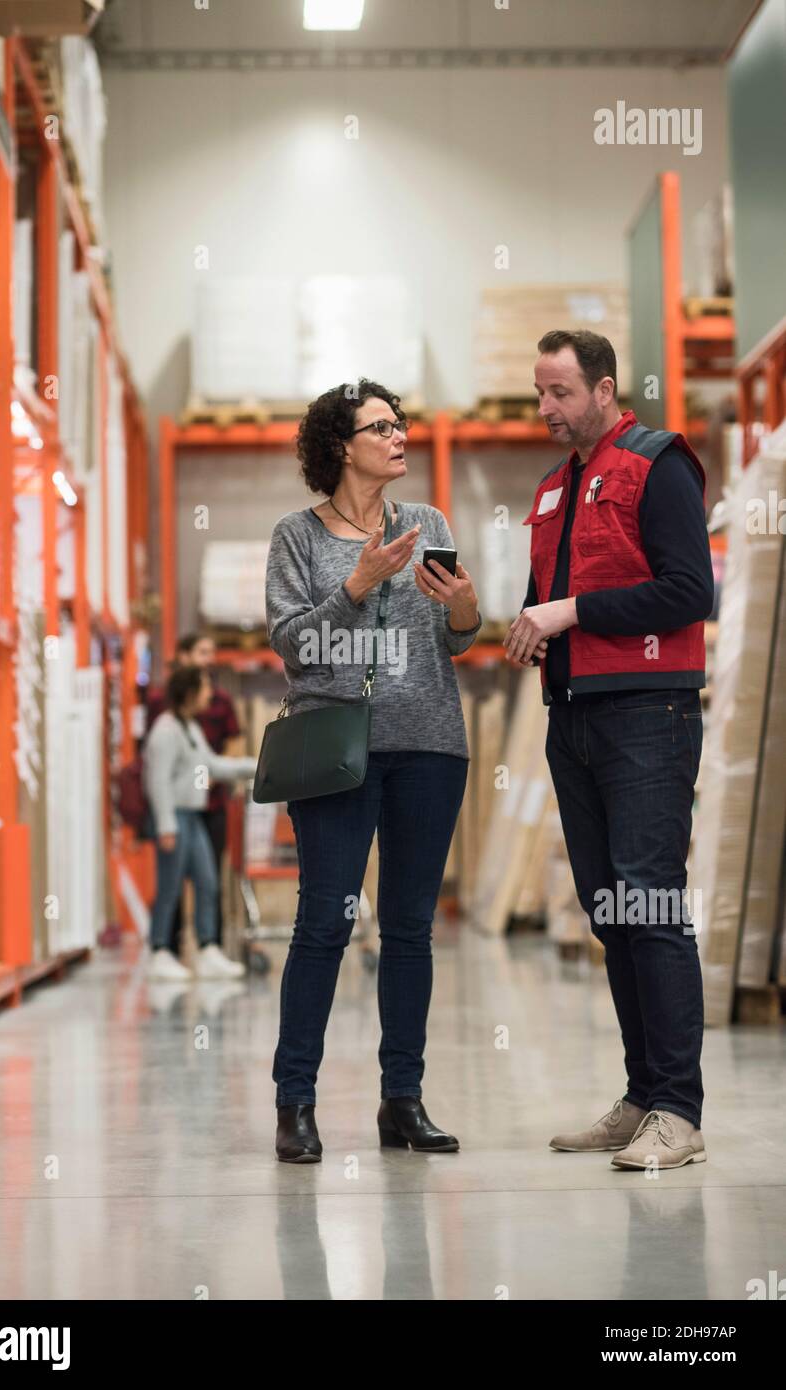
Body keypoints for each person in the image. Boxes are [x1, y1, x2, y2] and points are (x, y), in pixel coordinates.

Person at [505, 329, 714, 1172]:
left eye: (559, 392)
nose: (547, 408)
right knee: (611, 912)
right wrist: (518, 621)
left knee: (652, 906)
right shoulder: (554, 489)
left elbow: (688, 590)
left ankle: (680, 1110)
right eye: (538, 393)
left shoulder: (656, 463)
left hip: (649, 714)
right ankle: (641, 1096)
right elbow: (541, 603)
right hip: (575, 719)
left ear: (604, 389)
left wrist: (572, 614)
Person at [264, 377, 483, 1163]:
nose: (399, 436)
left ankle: (403, 1101)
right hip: (335, 751)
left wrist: (461, 604)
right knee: (324, 924)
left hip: (428, 745)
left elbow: (460, 638)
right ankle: (295, 1104)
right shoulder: (297, 536)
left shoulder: (426, 522)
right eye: (382, 427)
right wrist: (356, 585)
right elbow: (291, 644)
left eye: (402, 424)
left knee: (410, 931)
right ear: (340, 447)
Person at [142, 665, 257, 982]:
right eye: (205, 687)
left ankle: (208, 948)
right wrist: (166, 825)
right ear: (190, 692)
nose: (211, 694)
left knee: (208, 881)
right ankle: (159, 950)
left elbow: (212, 765)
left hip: (193, 818)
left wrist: (256, 767)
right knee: (170, 887)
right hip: (174, 818)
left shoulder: (189, 728)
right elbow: (158, 781)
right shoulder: (165, 731)